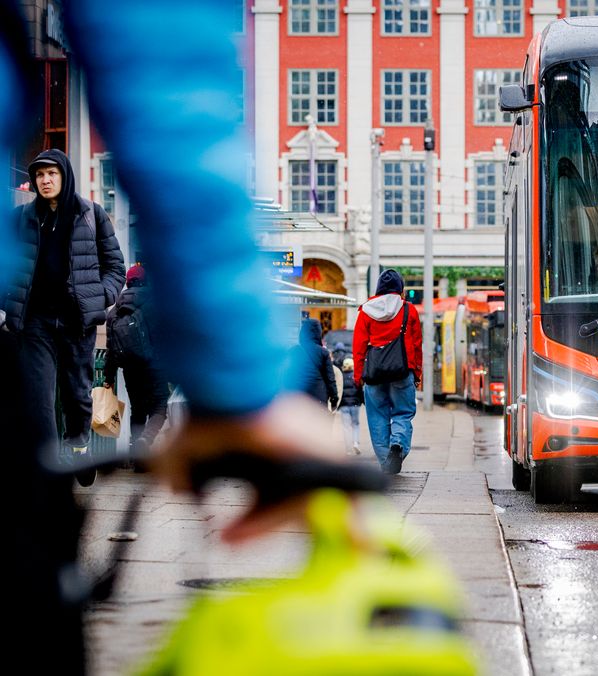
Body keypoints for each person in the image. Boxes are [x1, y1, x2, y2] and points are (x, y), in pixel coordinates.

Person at [0, 3, 343, 672]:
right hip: (26, 338)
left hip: (67, 325)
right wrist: (239, 382)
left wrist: (95, 304)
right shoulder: (29, 221)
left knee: (69, 399)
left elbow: (103, 261)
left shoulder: (84, 214)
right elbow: (164, 75)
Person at [2, 148, 126, 487]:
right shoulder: (20, 218)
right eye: (40, 175)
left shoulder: (91, 215)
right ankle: (47, 465)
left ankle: (79, 448)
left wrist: (99, 299)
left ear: (65, 176)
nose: (45, 180)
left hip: (76, 321)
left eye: (51, 174)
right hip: (35, 321)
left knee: (76, 393)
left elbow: (116, 267)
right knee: (38, 396)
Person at [353, 270, 422, 474]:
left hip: (374, 375)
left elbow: (358, 348)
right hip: (402, 371)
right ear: (400, 289)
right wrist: (417, 373)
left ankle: (386, 462)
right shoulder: (409, 310)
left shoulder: (365, 311)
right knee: (403, 413)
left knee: (377, 417)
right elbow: (417, 345)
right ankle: (397, 445)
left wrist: (358, 379)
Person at [103, 263, 169, 456]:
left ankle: (137, 456)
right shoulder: (156, 302)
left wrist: (108, 377)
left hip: (130, 369)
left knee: (138, 410)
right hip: (155, 365)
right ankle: (145, 440)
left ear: (128, 282)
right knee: (159, 405)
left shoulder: (115, 310)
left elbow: (111, 349)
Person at [288, 317, 339, 411]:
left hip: (298, 398)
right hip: (318, 399)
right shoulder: (323, 352)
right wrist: (334, 398)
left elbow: (287, 375)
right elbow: (330, 379)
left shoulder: (294, 351)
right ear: (318, 333)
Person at [337, 357, 364, 456]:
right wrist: (362, 401)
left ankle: (348, 448)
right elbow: (360, 391)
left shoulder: (341, 377)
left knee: (346, 427)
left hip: (344, 405)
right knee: (355, 424)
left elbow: (338, 390)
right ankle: (356, 443)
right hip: (355, 404)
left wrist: (337, 404)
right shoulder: (355, 376)